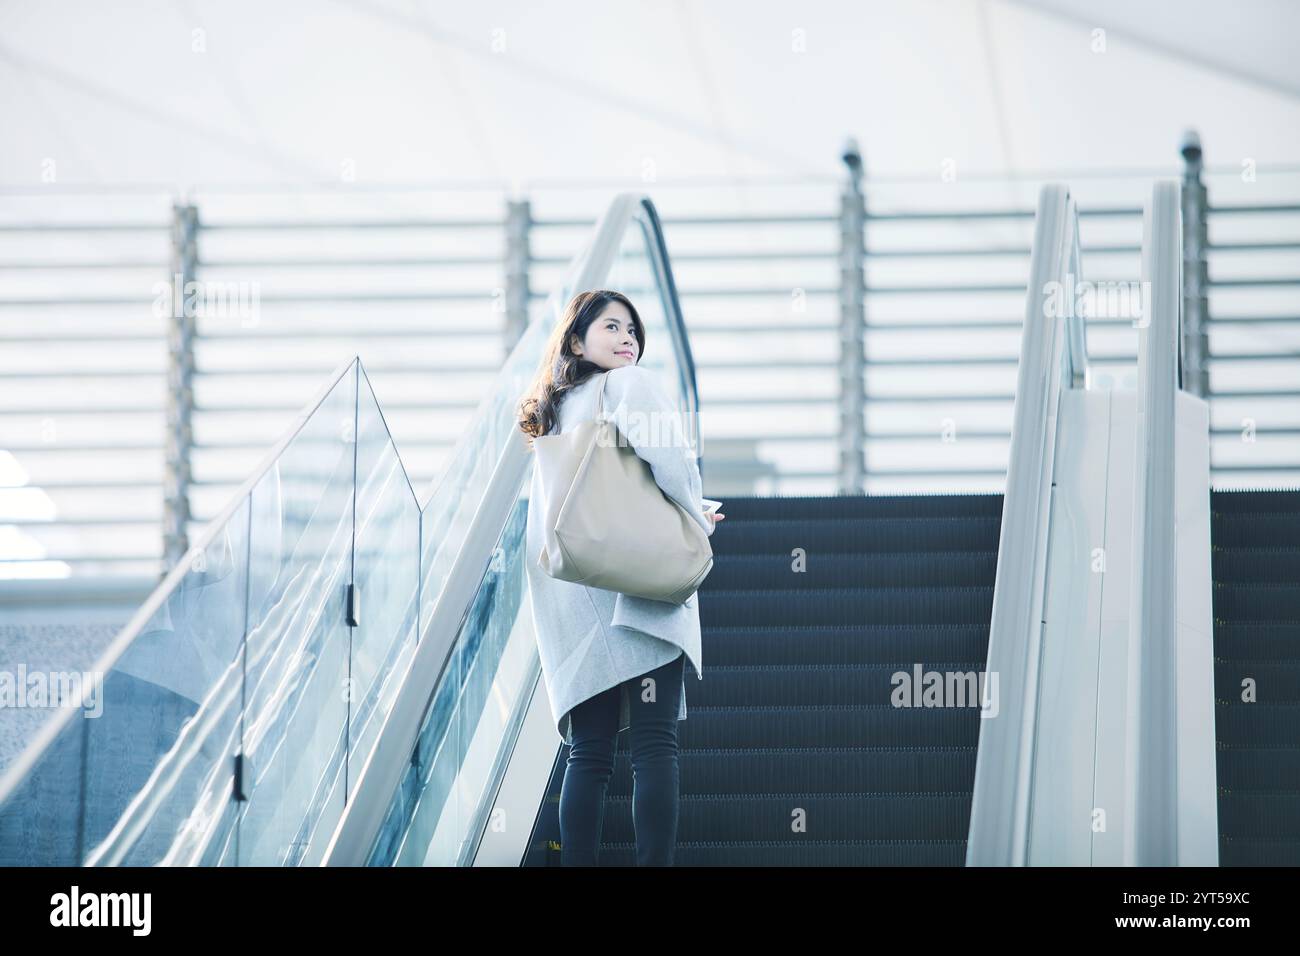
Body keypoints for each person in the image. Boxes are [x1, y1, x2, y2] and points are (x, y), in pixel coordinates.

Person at [516, 289, 723, 866]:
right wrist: (694, 516)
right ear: (576, 340)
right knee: (655, 745)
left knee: (590, 753)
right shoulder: (631, 385)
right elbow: (673, 463)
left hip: (577, 605)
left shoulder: (551, 418)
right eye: (612, 327)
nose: (628, 338)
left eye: (633, 329)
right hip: (640, 588)